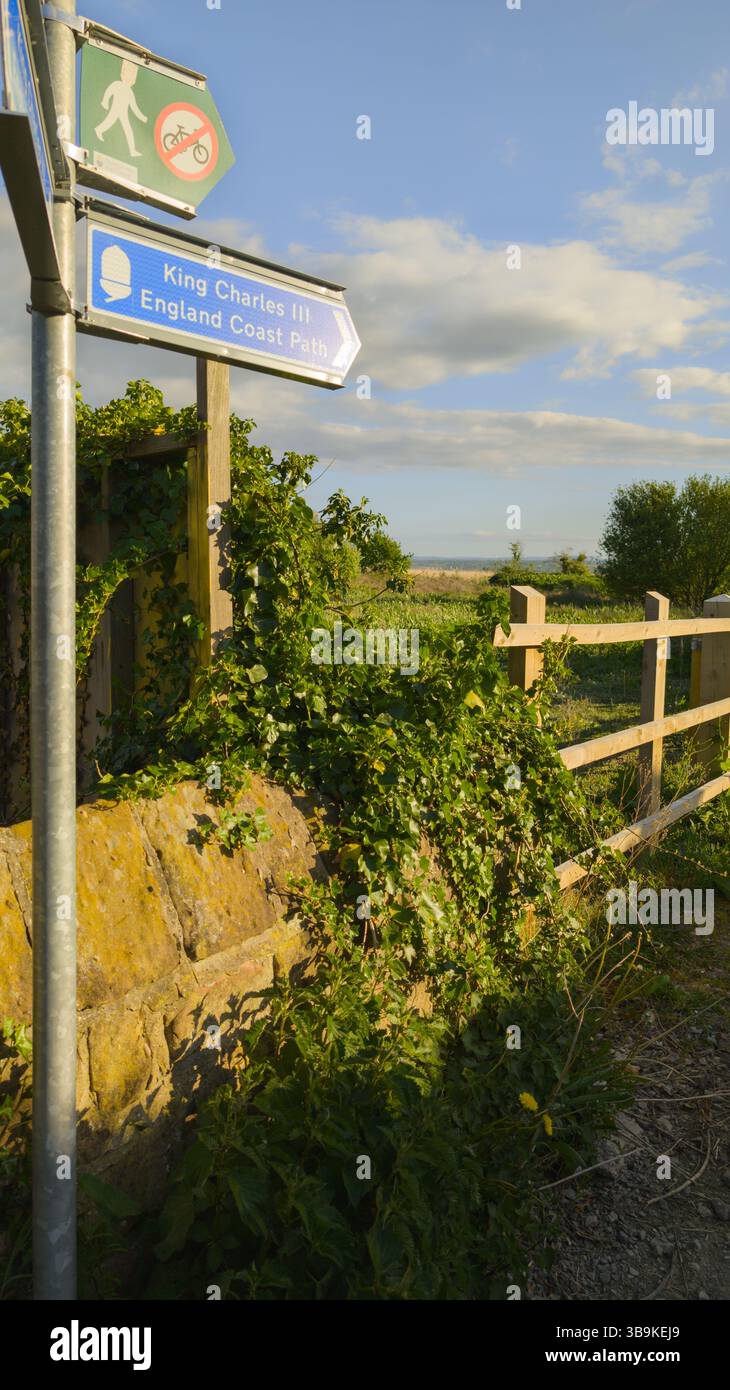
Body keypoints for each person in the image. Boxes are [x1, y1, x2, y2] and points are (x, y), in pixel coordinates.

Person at [95, 59, 148, 159]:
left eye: (132, 77)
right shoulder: (117, 84)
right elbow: (108, 91)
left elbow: (134, 107)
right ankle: (98, 130)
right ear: (122, 73)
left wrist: (142, 117)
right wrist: (104, 101)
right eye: (128, 75)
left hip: (123, 113)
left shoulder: (130, 92)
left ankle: (132, 150)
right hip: (115, 109)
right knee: (109, 121)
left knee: (128, 129)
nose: (129, 78)